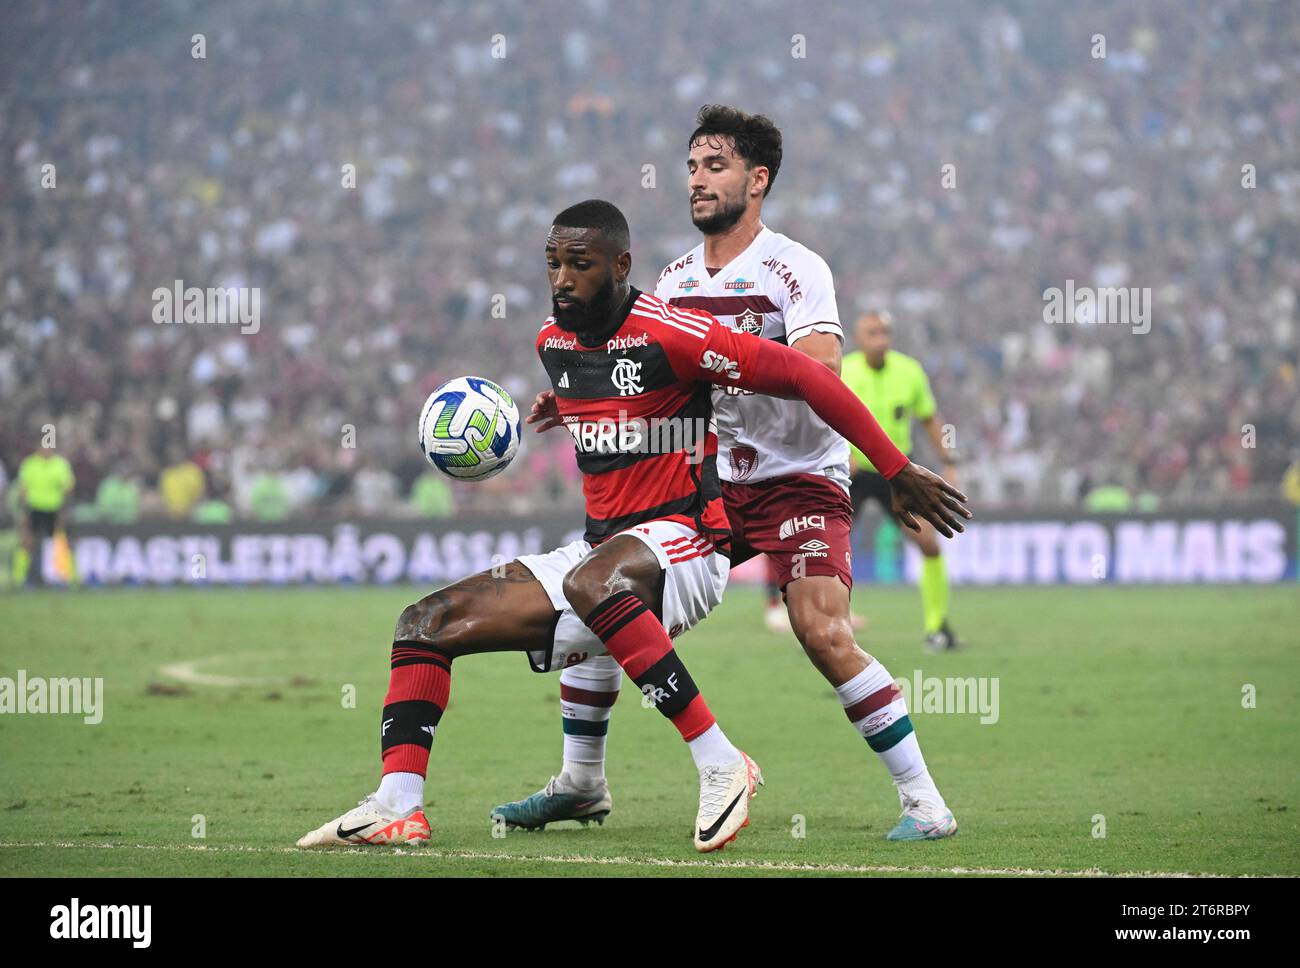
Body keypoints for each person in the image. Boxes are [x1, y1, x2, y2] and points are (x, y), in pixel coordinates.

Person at [297, 199, 967, 852]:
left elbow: (807, 376)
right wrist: (570, 402)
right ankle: (400, 805)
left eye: (579, 264)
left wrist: (896, 464)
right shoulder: (551, 342)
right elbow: (612, 385)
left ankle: (722, 761)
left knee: (619, 588)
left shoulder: (675, 332)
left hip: (687, 540)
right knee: (424, 623)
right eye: (553, 263)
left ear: (620, 265)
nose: (562, 279)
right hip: (607, 549)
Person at [492, 108, 965, 842]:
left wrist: (730, 359)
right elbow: (649, 370)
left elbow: (820, 369)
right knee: (603, 592)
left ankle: (926, 804)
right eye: (691, 168)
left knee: (820, 630)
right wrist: (579, 394)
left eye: (715, 166)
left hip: (801, 478)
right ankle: (580, 783)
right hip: (711, 484)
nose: (699, 180)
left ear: (758, 178)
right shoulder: (674, 280)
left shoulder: (795, 268)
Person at [843, 311, 963, 652]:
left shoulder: (909, 371)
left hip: (895, 473)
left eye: (885, 332)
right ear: (859, 337)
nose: (881, 338)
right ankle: (827, 626)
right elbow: (820, 416)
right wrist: (839, 452)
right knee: (827, 546)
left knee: (929, 544)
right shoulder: (845, 370)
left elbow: (930, 419)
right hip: (850, 472)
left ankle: (937, 627)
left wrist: (949, 461)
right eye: (873, 332)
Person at [15, 445, 76, 587]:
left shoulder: (60, 464)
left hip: (54, 509)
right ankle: (27, 578)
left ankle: (59, 577)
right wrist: (25, 513)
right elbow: (23, 490)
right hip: (34, 509)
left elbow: (67, 489)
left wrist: (64, 511)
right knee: (31, 544)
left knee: (56, 544)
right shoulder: (29, 464)